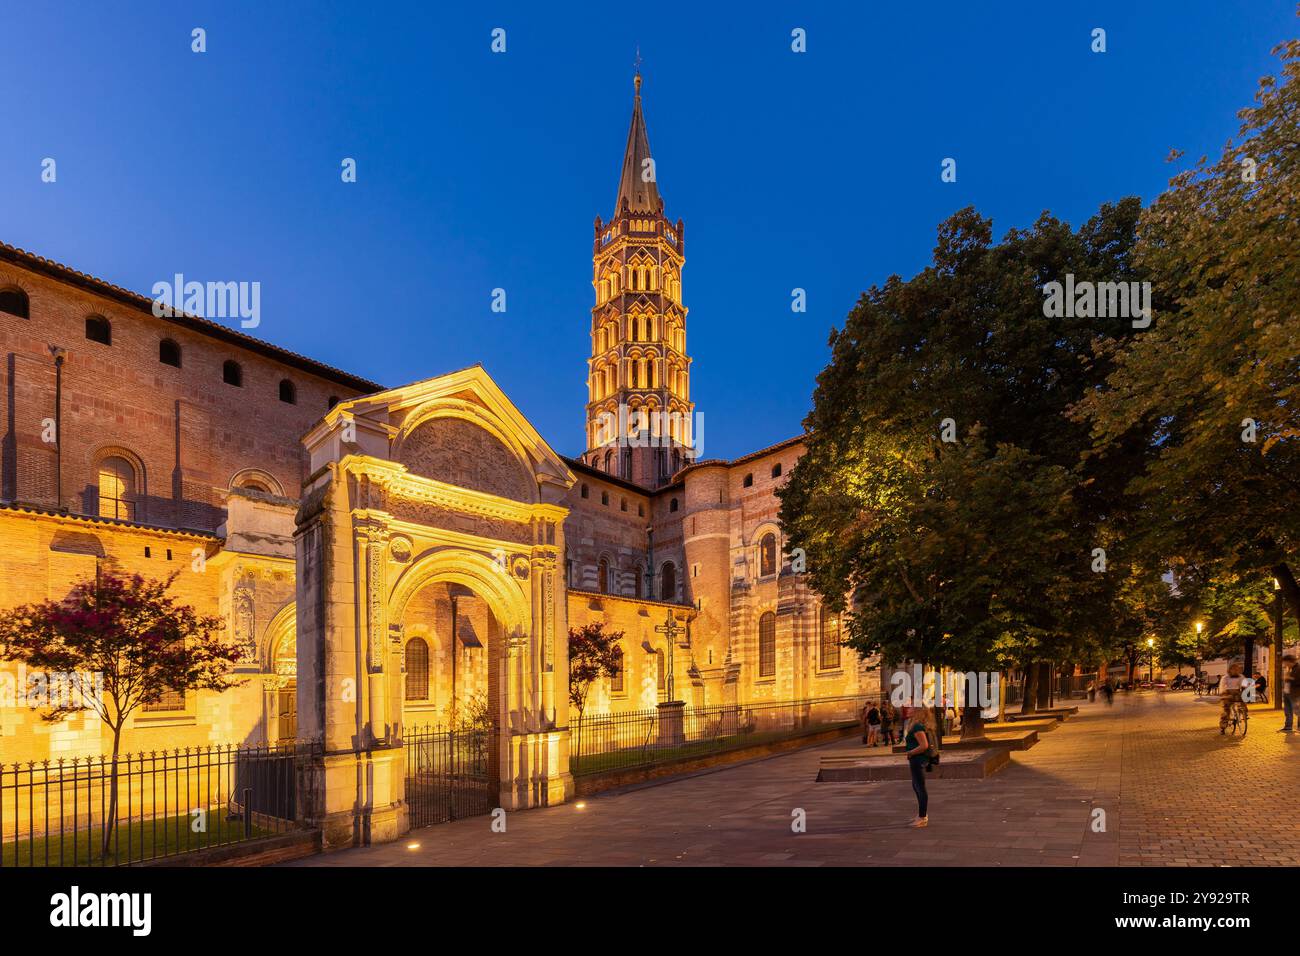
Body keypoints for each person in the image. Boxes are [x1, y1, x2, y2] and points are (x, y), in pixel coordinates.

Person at [903, 707, 935, 828]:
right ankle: (921, 815)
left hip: (918, 759)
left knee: (920, 787)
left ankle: (922, 817)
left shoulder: (917, 726)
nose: (908, 709)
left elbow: (924, 745)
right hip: (916, 759)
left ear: (917, 711)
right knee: (916, 786)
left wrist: (911, 752)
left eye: (911, 708)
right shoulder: (915, 725)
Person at [1219, 662, 1246, 733]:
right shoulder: (1225, 677)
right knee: (1226, 710)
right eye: (1234, 669)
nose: (1236, 671)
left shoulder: (1241, 676)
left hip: (1237, 692)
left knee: (1243, 702)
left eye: (1237, 669)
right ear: (1230, 670)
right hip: (1228, 693)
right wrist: (1223, 693)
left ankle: (1244, 713)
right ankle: (1223, 726)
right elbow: (1222, 686)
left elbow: (1244, 684)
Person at [1281, 654, 1300, 733]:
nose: (1284, 664)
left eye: (1285, 662)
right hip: (1287, 691)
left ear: (1289, 661)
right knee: (1287, 710)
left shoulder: (1298, 668)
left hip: (1295, 693)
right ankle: (1288, 726)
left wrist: (1289, 678)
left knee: (1298, 711)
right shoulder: (1289, 669)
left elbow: (1298, 680)